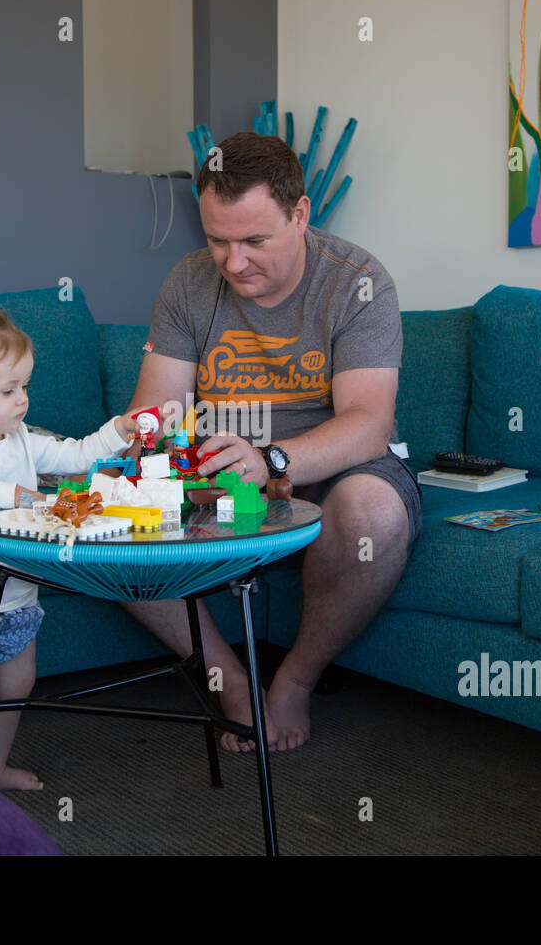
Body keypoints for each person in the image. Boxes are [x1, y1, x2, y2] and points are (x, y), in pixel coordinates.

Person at [121, 131, 422, 752]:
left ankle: (293, 684)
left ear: (300, 215)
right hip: (220, 478)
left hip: (336, 468)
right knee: (116, 518)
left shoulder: (358, 281)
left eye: (255, 240)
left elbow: (368, 423)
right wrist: (146, 448)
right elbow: (155, 410)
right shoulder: (188, 283)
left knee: (371, 512)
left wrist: (271, 461)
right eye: (217, 239)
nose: (233, 263)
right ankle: (231, 681)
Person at [0, 307, 139, 788]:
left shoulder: (23, 440)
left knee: (15, 691)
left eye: (25, 387)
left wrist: (117, 432)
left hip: (16, 599)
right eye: (9, 390)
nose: (23, 401)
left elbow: (77, 456)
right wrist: (4, 494)